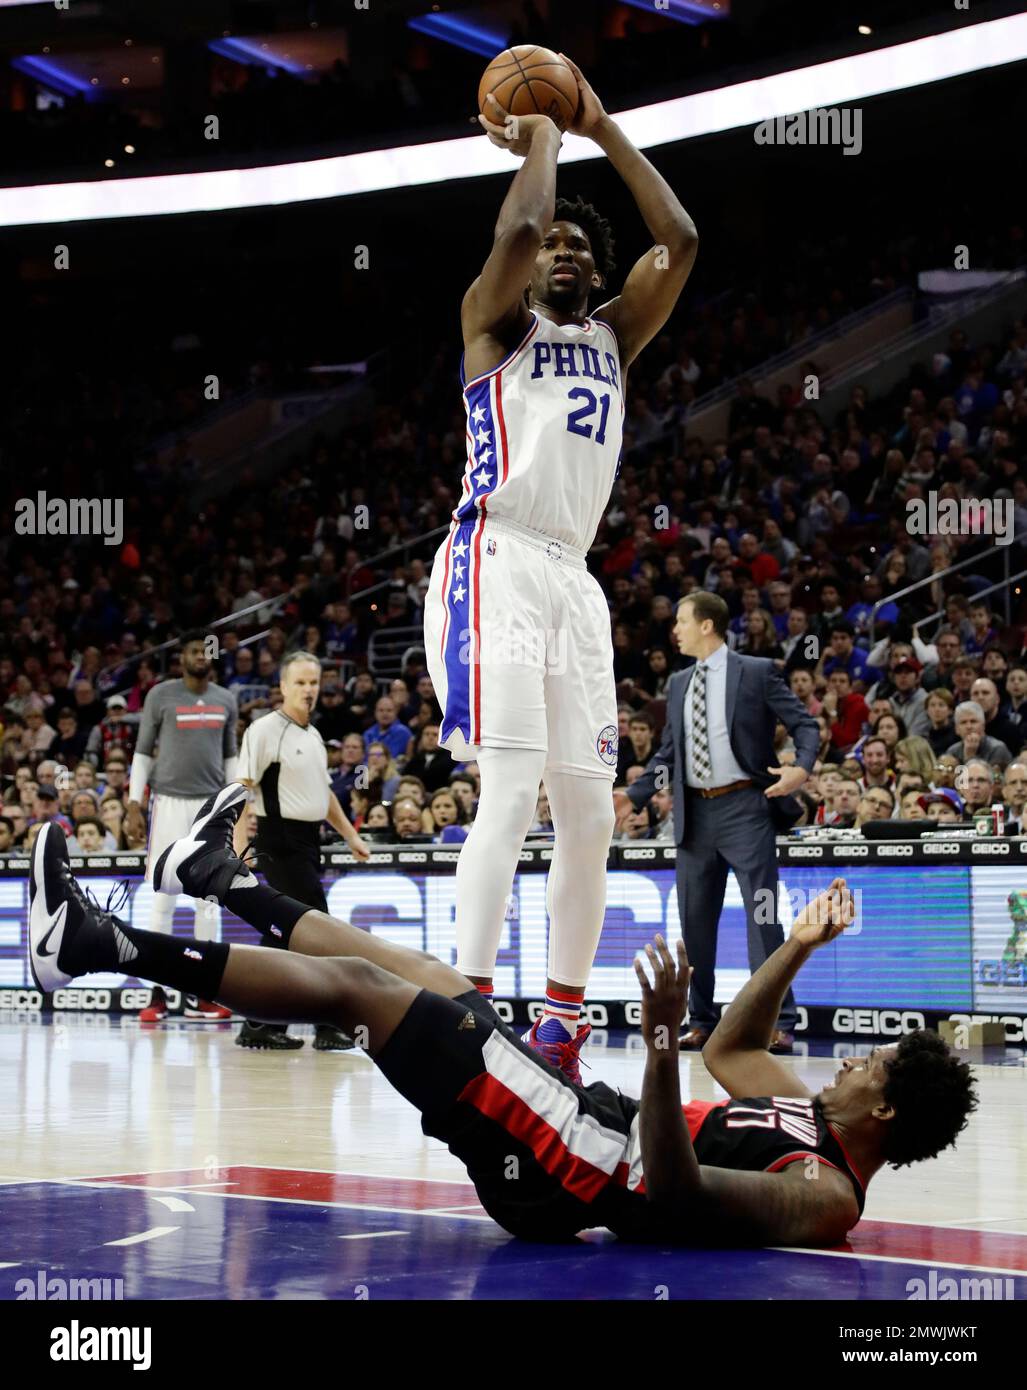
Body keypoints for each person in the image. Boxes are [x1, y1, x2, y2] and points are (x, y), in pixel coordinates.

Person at [31, 811, 978, 1248]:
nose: (849, 1060)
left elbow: (678, 1194)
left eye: (871, 1063)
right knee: (442, 979)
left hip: (574, 1169)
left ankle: (96, 941)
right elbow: (731, 1048)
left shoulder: (826, 1198)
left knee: (362, 990)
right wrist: (800, 944)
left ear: (885, 1107)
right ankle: (222, 882)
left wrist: (654, 1044)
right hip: (579, 1126)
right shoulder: (812, 1119)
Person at [422, 58, 699, 1081]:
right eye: (557, 244)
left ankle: (563, 1025)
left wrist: (600, 123)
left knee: (591, 812)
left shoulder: (616, 339)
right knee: (506, 794)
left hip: (572, 579)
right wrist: (541, 132)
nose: (564, 251)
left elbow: (682, 241)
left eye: (584, 244)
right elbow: (513, 233)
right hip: (493, 552)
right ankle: (467, 1007)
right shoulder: (493, 327)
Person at [616, 592, 817, 1053]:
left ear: (707, 625)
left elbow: (806, 726)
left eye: (682, 621)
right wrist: (634, 795)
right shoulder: (680, 682)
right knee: (695, 925)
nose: (675, 630)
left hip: (746, 805)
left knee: (762, 918)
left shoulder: (758, 672)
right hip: (695, 814)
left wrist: (800, 768)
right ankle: (702, 1020)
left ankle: (777, 1021)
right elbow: (669, 753)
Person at [230, 651, 371, 1051]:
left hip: (309, 841)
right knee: (314, 931)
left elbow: (323, 794)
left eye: (314, 683)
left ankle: (259, 1023)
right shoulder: (264, 730)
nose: (309, 690)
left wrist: (350, 836)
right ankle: (326, 1025)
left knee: (284, 932)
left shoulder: (313, 736)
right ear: (283, 686)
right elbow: (243, 789)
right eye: (301, 683)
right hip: (279, 841)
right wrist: (241, 845)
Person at [126, 629, 239, 1021]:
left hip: (209, 806)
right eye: (193, 650)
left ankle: (203, 993)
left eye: (207, 651)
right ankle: (156, 994)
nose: (200, 657)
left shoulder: (227, 699)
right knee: (163, 898)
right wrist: (133, 804)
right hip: (169, 803)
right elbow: (142, 752)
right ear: (182, 657)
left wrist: (235, 806)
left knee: (208, 901)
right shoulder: (160, 695)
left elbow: (230, 758)